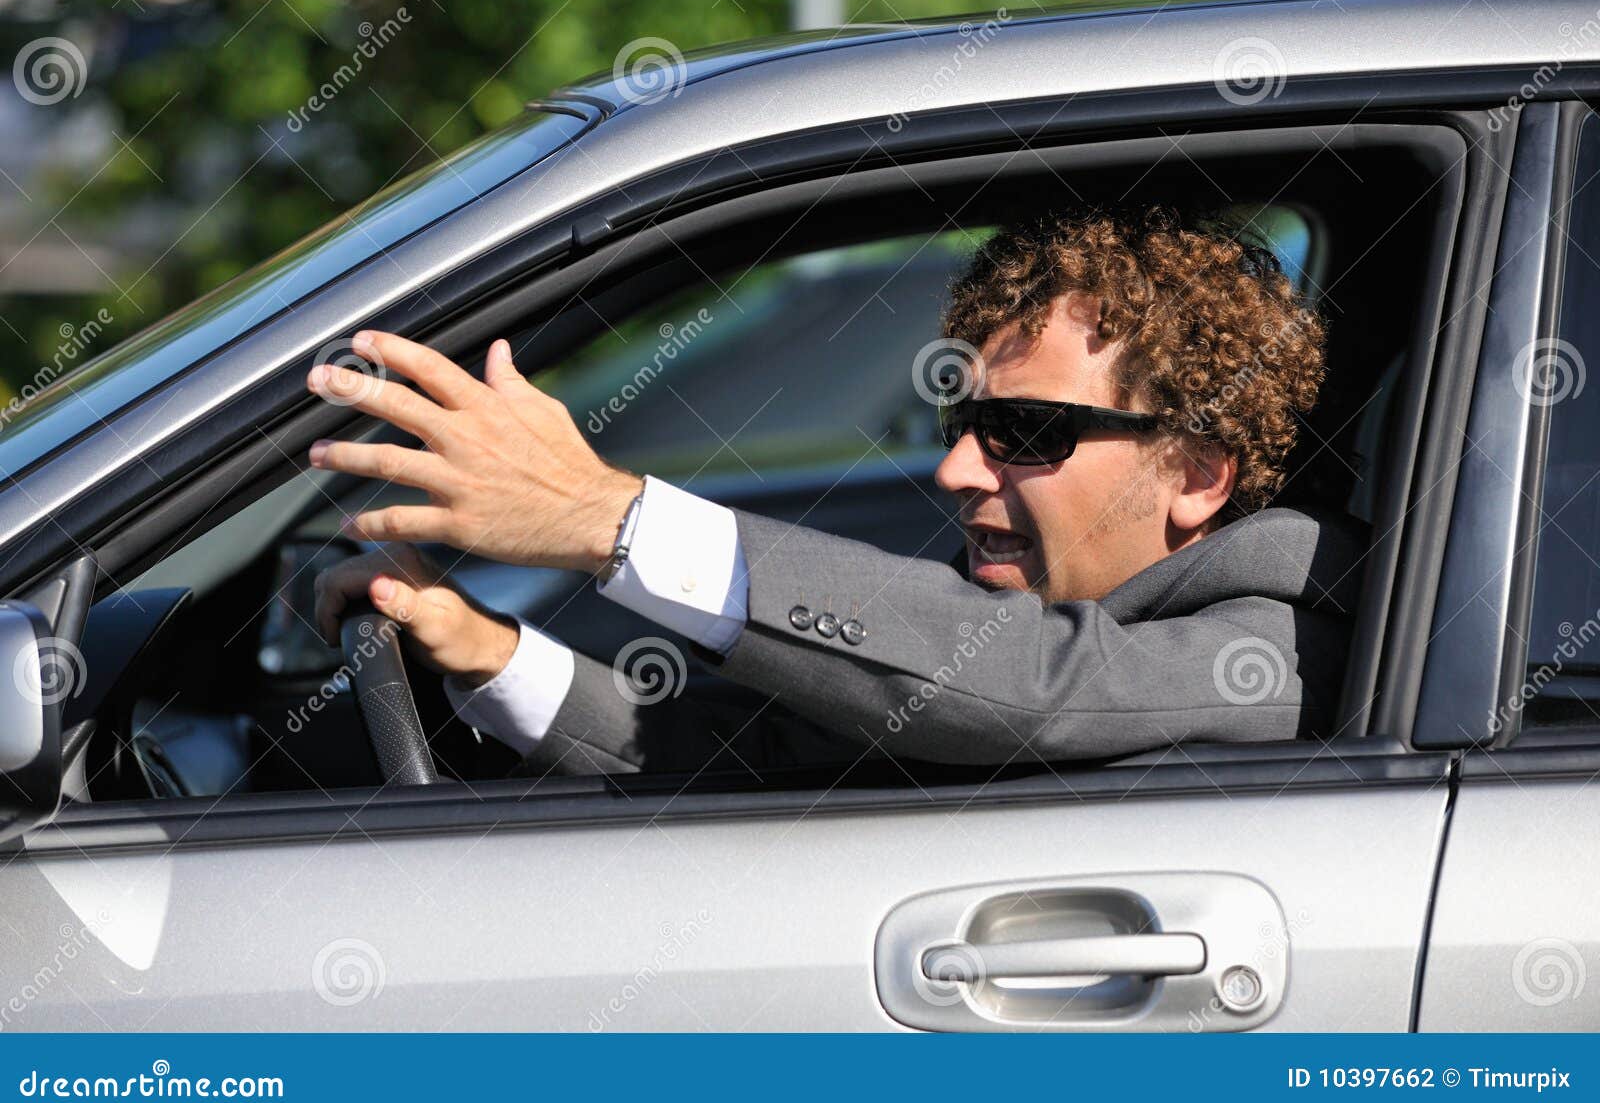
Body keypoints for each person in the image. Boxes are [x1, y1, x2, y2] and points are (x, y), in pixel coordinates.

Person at [308, 205, 1366, 776]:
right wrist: (493, 653)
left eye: (1023, 432)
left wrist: (602, 516)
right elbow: (752, 752)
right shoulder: (1018, 624)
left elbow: (1031, 691)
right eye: (961, 425)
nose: (956, 469)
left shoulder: (1277, 649)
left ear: (1193, 473)